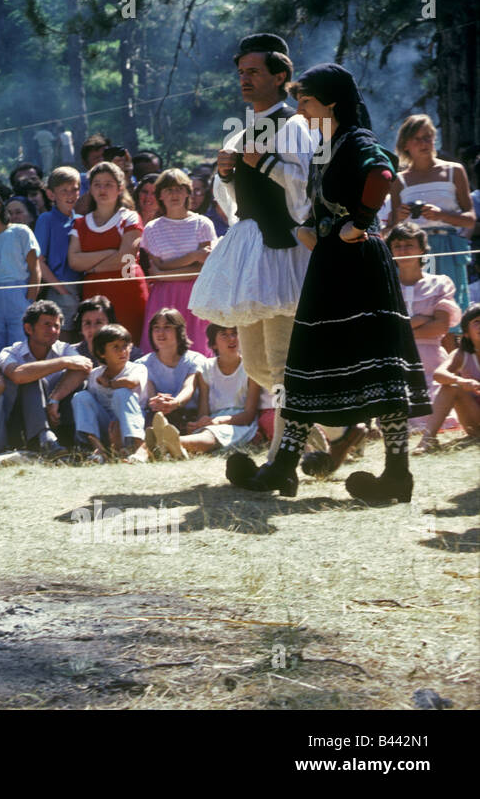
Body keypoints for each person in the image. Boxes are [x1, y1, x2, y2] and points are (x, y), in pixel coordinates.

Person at [231, 63, 431, 502]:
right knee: (307, 363)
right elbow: (320, 208)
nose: (300, 109)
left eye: (306, 101)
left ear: (332, 103)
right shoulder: (327, 146)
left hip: (360, 267)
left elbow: (382, 173)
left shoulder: (356, 140)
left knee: (380, 368)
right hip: (331, 265)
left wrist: (358, 224)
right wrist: (313, 231)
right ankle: (284, 467)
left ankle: (397, 474)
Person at [189, 33, 317, 473]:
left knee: (281, 365)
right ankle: (331, 435)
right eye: (241, 72)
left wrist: (261, 163)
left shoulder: (296, 125)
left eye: (254, 71)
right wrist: (226, 175)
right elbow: (234, 203)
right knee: (259, 366)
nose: (245, 79)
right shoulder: (245, 130)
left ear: (280, 77)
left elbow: (305, 191)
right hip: (249, 253)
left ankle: (280, 461)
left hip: (284, 251)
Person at [389, 115, 474, 328]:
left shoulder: (454, 171)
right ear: (405, 144)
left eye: (428, 137)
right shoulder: (399, 181)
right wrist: (399, 217)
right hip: (414, 251)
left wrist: (441, 215)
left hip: (448, 246)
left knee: (451, 311)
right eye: (417, 139)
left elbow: (470, 220)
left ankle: (453, 349)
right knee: (417, 307)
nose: (424, 143)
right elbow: (391, 229)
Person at [150, 323, 261, 461]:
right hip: (211, 422)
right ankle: (168, 446)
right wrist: (199, 423)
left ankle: (166, 442)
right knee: (204, 432)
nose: (232, 339)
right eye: (224, 335)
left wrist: (219, 421)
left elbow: (249, 415)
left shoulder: (250, 368)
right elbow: (203, 410)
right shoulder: (206, 368)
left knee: (210, 435)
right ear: (214, 344)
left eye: (234, 333)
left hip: (239, 423)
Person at [0, 300, 91, 456]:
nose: (53, 330)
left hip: (56, 417)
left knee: (80, 382)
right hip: (20, 424)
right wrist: (63, 362)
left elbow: (85, 367)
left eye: (57, 326)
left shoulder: (64, 349)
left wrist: (55, 399)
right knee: (31, 377)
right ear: (28, 328)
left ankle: (75, 443)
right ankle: (44, 439)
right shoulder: (10, 352)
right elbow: (18, 375)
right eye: (47, 325)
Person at [68, 161, 149, 342]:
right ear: (90, 189)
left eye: (108, 184)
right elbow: (73, 261)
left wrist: (92, 268)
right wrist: (109, 252)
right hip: (95, 292)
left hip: (128, 290)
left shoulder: (130, 217)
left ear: (120, 188)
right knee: (98, 344)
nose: (102, 189)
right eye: (97, 184)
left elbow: (126, 259)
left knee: (130, 344)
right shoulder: (80, 223)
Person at [140, 168, 218, 356]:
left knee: (198, 352)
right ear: (160, 195)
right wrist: (194, 256)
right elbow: (157, 267)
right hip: (164, 298)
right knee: (162, 352)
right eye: (168, 190)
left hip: (196, 298)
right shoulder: (151, 228)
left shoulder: (203, 224)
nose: (174, 194)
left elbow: (202, 270)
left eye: (179, 189)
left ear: (187, 192)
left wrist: (163, 274)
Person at [387, 222, 461, 407]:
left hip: (431, 362)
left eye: (409, 245)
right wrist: (418, 321)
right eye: (397, 246)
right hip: (396, 363)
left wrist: (402, 332)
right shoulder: (385, 287)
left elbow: (441, 327)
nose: (403, 250)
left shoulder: (440, 283)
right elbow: (383, 332)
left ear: (421, 249)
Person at [0, 189, 40, 362]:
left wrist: (29, 301)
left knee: (20, 349)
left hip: (19, 295)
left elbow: (35, 269)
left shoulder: (21, 231)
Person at [71, 324, 148, 462]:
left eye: (125, 346)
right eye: (115, 347)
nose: (122, 351)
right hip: (106, 426)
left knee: (121, 393)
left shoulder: (137, 368)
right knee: (81, 397)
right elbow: (90, 407)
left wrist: (110, 384)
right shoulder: (95, 375)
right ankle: (97, 449)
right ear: (102, 353)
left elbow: (132, 382)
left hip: (130, 425)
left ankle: (138, 447)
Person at [413, 303, 480, 452]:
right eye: (477, 322)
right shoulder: (461, 355)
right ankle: (428, 440)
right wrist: (461, 381)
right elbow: (438, 374)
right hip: (475, 421)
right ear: (466, 333)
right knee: (450, 388)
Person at [34, 166, 83, 339]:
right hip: (60, 287)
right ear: (51, 194)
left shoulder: (81, 221)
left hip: (83, 286)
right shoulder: (46, 219)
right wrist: (62, 291)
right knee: (62, 337)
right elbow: (39, 261)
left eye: (74, 189)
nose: (70, 195)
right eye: (64, 191)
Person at [138, 308, 204, 435]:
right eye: (156, 328)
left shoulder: (195, 360)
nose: (160, 333)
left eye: (167, 327)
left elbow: (189, 387)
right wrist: (159, 403)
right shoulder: (143, 364)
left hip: (188, 415)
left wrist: (175, 403)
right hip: (158, 414)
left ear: (179, 331)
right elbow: (151, 394)